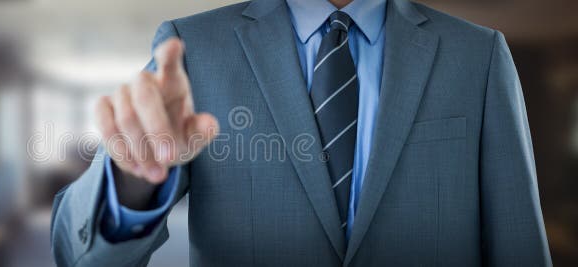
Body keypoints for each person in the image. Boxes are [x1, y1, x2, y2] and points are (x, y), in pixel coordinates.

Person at [51, 0, 552, 266]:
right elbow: (77, 256)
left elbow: (520, 247)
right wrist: (132, 182)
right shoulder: (193, 48)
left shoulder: (477, 55)